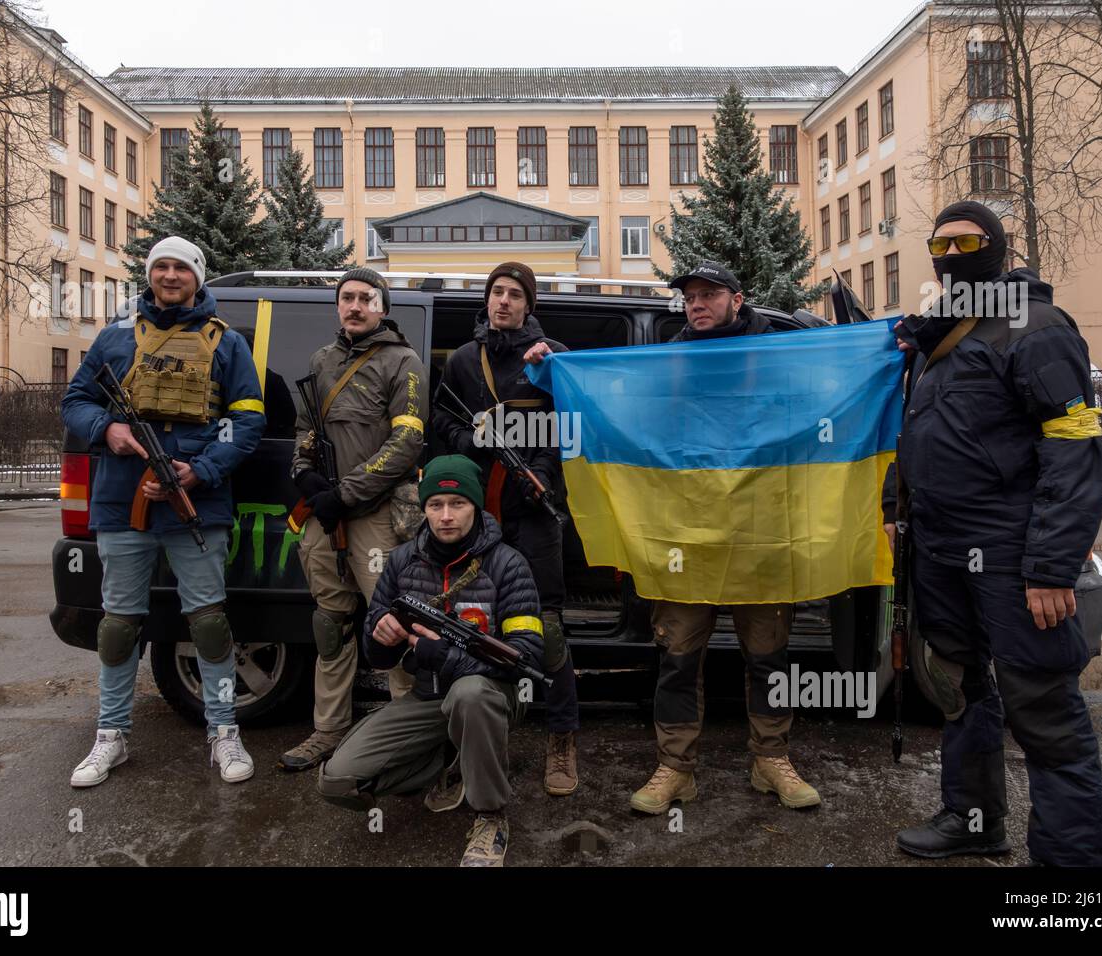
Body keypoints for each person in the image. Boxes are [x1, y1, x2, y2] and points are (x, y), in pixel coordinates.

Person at [528, 261, 822, 814]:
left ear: (738, 298)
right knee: (679, 658)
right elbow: (612, 394)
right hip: (687, 534)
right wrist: (557, 369)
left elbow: (827, 398)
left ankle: (771, 759)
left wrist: (886, 352)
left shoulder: (780, 355)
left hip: (760, 529)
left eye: (709, 294)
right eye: (689, 297)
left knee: (768, 657)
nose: (696, 304)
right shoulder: (669, 362)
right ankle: (676, 768)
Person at [884, 201, 1102, 865]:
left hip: (1014, 556)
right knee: (960, 689)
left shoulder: (1035, 328)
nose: (953, 255)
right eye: (942, 243)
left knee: (1042, 707)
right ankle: (974, 818)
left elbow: (1075, 447)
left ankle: (1072, 872)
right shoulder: (943, 339)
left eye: (968, 241)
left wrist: (1050, 566)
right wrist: (902, 517)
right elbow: (926, 438)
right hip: (942, 549)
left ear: (998, 247)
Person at [61, 236, 266, 786]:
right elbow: (75, 402)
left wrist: (201, 470)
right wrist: (110, 428)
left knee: (210, 623)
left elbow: (248, 421)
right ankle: (111, 736)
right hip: (120, 501)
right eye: (161, 267)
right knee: (119, 625)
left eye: (181, 267)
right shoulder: (113, 338)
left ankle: (224, 731)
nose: (170, 276)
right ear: (150, 276)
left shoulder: (227, 344)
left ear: (198, 277)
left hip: (196, 501)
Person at [316, 455, 545, 867]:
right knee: (338, 781)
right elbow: (376, 653)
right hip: (427, 698)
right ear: (423, 509)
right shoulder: (402, 561)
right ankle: (447, 760)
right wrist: (382, 637)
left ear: (476, 507)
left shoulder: (508, 565)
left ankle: (490, 815)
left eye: (457, 505)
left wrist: (445, 656)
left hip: (494, 696)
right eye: (435, 505)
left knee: (470, 695)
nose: (446, 516)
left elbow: (526, 655)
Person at [432, 261, 581, 796]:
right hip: (478, 511)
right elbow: (439, 424)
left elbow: (570, 422)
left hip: (533, 510)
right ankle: (466, 738)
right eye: (497, 292)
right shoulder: (465, 362)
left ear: (528, 304)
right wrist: (470, 441)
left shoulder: (548, 355)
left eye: (515, 294)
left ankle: (561, 739)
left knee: (548, 626)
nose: (503, 302)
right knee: (469, 622)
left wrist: (539, 472)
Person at [280, 268, 428, 772]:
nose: (356, 305)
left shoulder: (403, 361)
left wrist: (345, 493)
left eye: (367, 297)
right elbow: (305, 431)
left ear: (382, 307)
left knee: (397, 625)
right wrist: (305, 476)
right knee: (331, 624)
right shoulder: (321, 361)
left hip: (376, 517)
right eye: (347, 298)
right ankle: (328, 732)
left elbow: (406, 444)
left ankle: (405, 740)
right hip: (326, 518)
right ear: (338, 306)